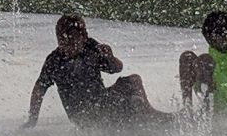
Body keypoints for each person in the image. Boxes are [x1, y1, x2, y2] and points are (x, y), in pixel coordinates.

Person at [25, 13, 167, 129]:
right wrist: (32, 119)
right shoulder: (54, 60)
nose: (68, 47)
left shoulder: (91, 47)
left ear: (84, 37)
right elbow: (39, 89)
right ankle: (142, 116)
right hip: (82, 115)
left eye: (73, 41)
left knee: (133, 81)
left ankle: (148, 114)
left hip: (102, 102)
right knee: (129, 104)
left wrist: (110, 58)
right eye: (63, 42)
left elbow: (117, 68)